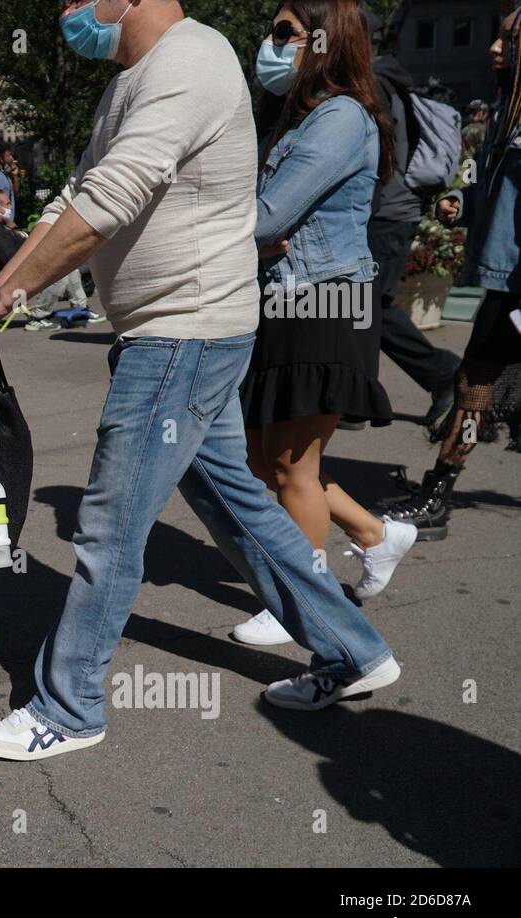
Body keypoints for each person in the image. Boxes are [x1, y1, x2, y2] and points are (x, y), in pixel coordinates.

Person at [0, 0, 400, 761]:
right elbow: (77, 195)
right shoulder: (137, 75)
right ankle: (354, 650)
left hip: (181, 331)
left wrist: (6, 294)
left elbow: (112, 199)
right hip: (180, 331)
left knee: (111, 523)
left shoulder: (191, 61)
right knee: (238, 507)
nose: (66, 10)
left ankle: (70, 705)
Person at [232, 1, 418, 646]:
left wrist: (245, 231)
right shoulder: (301, 118)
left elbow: (266, 215)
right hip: (289, 299)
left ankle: (300, 603)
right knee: (268, 459)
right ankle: (374, 533)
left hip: (327, 300)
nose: (270, 44)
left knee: (291, 466)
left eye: (284, 32)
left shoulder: (339, 118)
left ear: (324, 39)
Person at [385, 5, 521, 540]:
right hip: (506, 281)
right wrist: (460, 204)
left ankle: (438, 494)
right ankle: (438, 492)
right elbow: (498, 194)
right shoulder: (505, 111)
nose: (493, 47)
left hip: (515, 286)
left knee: (473, 387)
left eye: (509, 40)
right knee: (473, 386)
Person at [363, 28, 459, 430]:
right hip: (394, 210)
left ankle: (444, 374)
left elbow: (373, 158)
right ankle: (356, 400)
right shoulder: (391, 81)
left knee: (370, 308)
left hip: (384, 212)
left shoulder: (375, 87)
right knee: (364, 307)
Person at [0, 191, 96, 329]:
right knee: (60, 275)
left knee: (69, 266)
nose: (10, 207)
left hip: (28, 261)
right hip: (20, 270)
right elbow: (9, 259)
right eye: (7, 204)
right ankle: (38, 317)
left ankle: (80, 308)